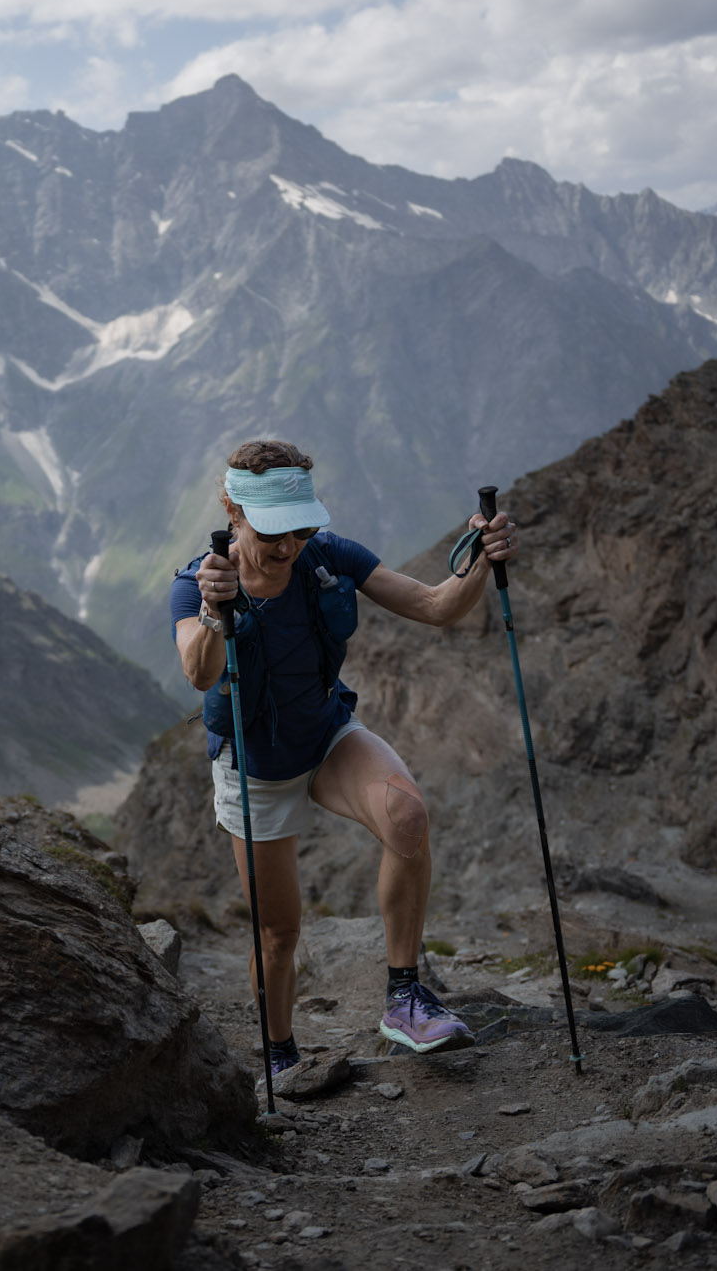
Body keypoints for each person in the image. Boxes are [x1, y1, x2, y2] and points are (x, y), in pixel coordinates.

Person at [170, 439, 516, 1071]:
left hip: (326, 736)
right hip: (254, 765)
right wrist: (213, 611)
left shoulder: (329, 558)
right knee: (278, 934)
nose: (288, 545)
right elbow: (200, 673)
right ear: (232, 509)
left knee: (406, 817)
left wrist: (479, 562)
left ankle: (405, 999)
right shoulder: (198, 583)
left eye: (300, 527)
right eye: (274, 530)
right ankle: (280, 1054)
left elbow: (435, 606)